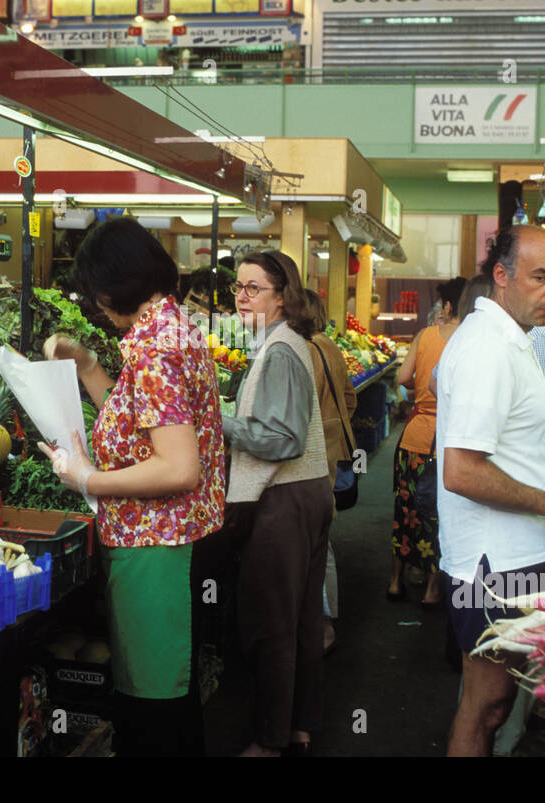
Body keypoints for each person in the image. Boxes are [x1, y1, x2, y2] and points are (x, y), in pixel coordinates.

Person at [38, 216, 225, 757]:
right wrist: (90, 366)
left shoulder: (156, 348)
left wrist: (86, 477)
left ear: (109, 288)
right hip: (168, 544)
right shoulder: (168, 328)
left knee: (155, 711)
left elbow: (177, 467)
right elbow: (140, 426)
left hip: (156, 547)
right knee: (166, 700)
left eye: (94, 293)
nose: (94, 305)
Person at [436, 225, 545, 757]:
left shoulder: (514, 338)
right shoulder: (488, 348)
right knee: (485, 705)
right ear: (503, 277)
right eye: (540, 277)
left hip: (514, 557)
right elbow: (461, 471)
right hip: (493, 565)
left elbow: (503, 452)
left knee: (497, 702)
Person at [222, 250, 332, 757]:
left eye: (253, 288)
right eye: (238, 288)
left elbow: (281, 438)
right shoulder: (283, 344)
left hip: (283, 499)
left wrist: (214, 421)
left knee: (272, 625)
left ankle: (268, 741)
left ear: (282, 296)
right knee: (304, 620)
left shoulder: (281, 350)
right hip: (307, 492)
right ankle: (299, 727)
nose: (241, 297)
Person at [388, 276, 466, 607]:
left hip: (416, 437)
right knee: (441, 515)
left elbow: (402, 378)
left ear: (447, 306)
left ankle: (395, 581)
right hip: (451, 440)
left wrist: (420, 388)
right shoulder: (470, 342)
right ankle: (434, 590)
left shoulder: (426, 335)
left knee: (405, 510)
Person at [303, 289, 356, 655]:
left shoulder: (304, 350)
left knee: (316, 542)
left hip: (311, 457)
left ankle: (322, 625)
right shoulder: (329, 345)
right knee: (322, 535)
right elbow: (350, 398)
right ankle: (323, 622)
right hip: (331, 451)